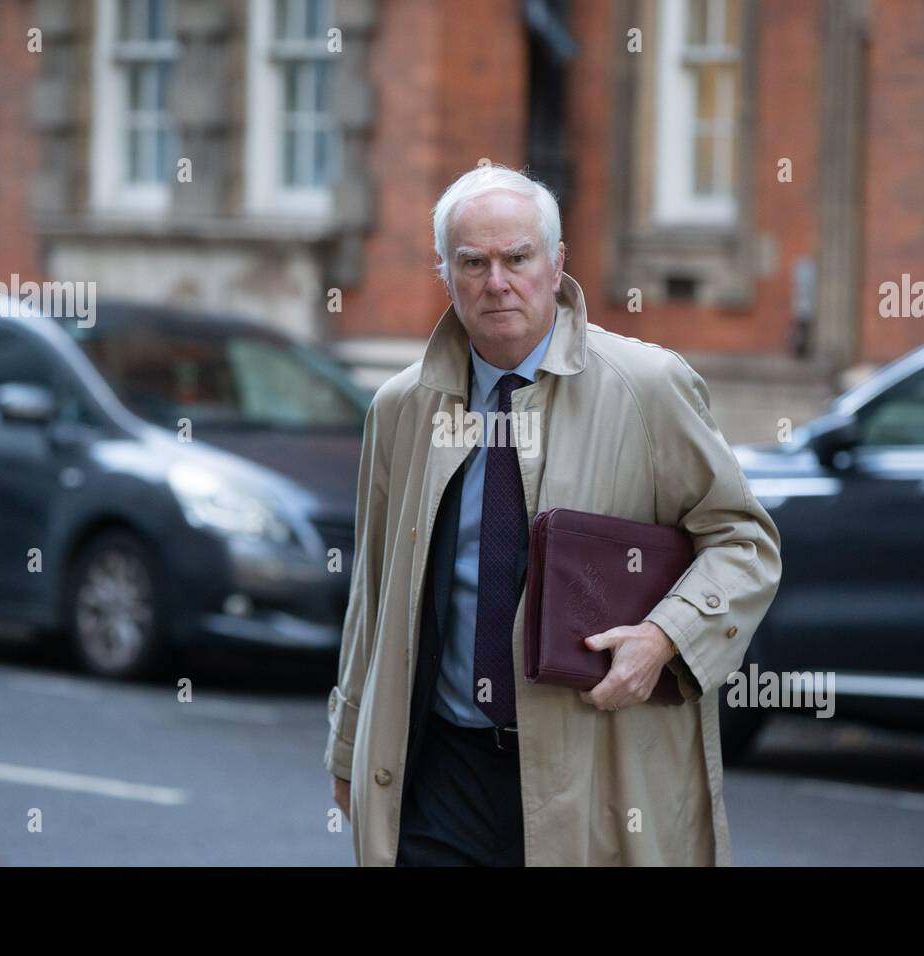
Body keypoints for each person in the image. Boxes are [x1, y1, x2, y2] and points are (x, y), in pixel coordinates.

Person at [325, 163, 782, 866]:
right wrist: (350, 742)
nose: (497, 282)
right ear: (443, 271)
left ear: (556, 262)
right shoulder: (401, 407)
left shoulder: (647, 387)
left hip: (592, 771)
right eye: (473, 263)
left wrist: (664, 637)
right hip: (441, 770)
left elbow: (744, 542)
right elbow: (375, 592)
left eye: (517, 258)